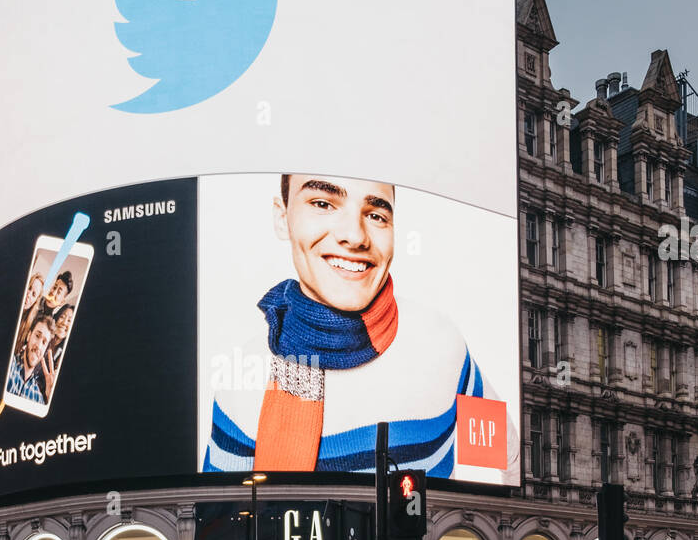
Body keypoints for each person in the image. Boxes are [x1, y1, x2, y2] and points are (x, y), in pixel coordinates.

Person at [202, 173, 513, 478]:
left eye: (376, 214)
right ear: (283, 217)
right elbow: (221, 522)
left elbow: (511, 461)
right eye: (323, 203)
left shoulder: (440, 345)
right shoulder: (245, 380)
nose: (354, 236)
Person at [5, 309, 55, 404]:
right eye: (37, 336)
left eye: (44, 342)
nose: (38, 346)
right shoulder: (9, 364)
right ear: (29, 336)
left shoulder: (38, 398)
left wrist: (49, 400)